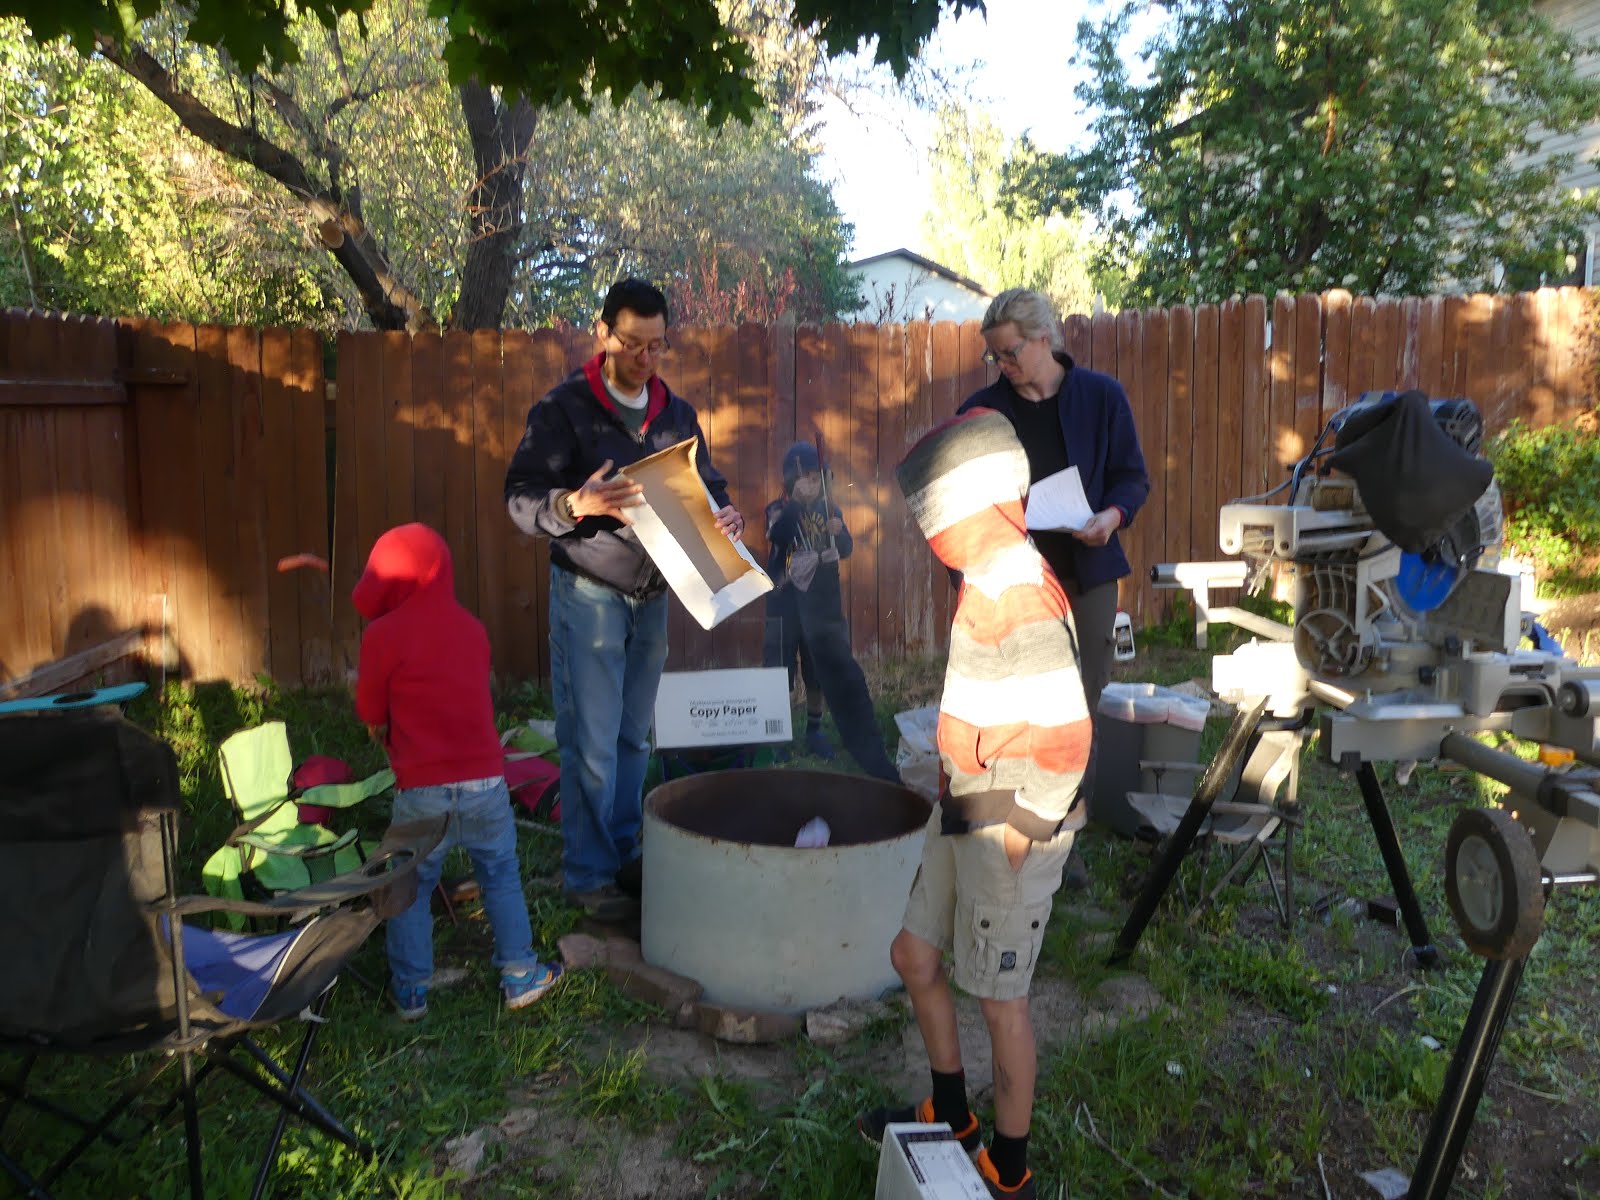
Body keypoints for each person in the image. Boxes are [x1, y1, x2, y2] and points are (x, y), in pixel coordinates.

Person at [859, 408, 1093, 1200]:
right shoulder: (985, 577)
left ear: (974, 509)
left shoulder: (1019, 593)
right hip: (963, 808)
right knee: (915, 957)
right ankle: (952, 1112)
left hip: (1008, 830)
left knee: (1000, 1000)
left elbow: (1065, 741)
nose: (929, 542)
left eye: (935, 524)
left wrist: (1022, 836)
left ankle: (1010, 1168)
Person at [503, 278, 744, 923]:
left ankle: (624, 856)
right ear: (603, 333)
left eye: (657, 346)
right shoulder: (563, 410)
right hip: (589, 594)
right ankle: (587, 875)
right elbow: (520, 498)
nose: (645, 358)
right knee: (592, 741)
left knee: (635, 738)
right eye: (633, 344)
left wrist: (724, 513)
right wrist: (572, 505)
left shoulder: (677, 414)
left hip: (656, 594)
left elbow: (706, 482)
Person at [958, 288, 1149, 880]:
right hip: (1016, 586)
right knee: (1018, 709)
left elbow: (1131, 479)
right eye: (995, 358)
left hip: (1088, 577)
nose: (1004, 367)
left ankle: (1062, 843)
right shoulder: (982, 410)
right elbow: (962, 501)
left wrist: (1111, 517)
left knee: (1077, 710)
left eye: (1011, 353)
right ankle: (1011, 837)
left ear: (1047, 338)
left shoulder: (1102, 397)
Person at [353, 522, 562, 1021]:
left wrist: (385, 732)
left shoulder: (382, 635)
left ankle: (411, 989)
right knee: (500, 875)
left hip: (421, 788)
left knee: (411, 886)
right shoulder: (471, 629)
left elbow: (371, 713)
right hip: (486, 782)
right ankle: (519, 974)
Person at [761, 441, 900, 783]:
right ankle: (777, 736)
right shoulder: (780, 509)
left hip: (822, 603)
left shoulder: (830, 510)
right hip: (785, 600)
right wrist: (796, 503)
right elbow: (778, 536)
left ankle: (814, 729)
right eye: (804, 478)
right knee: (779, 668)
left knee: (817, 669)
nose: (811, 483)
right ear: (791, 481)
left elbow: (847, 549)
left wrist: (841, 535)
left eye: (816, 477)